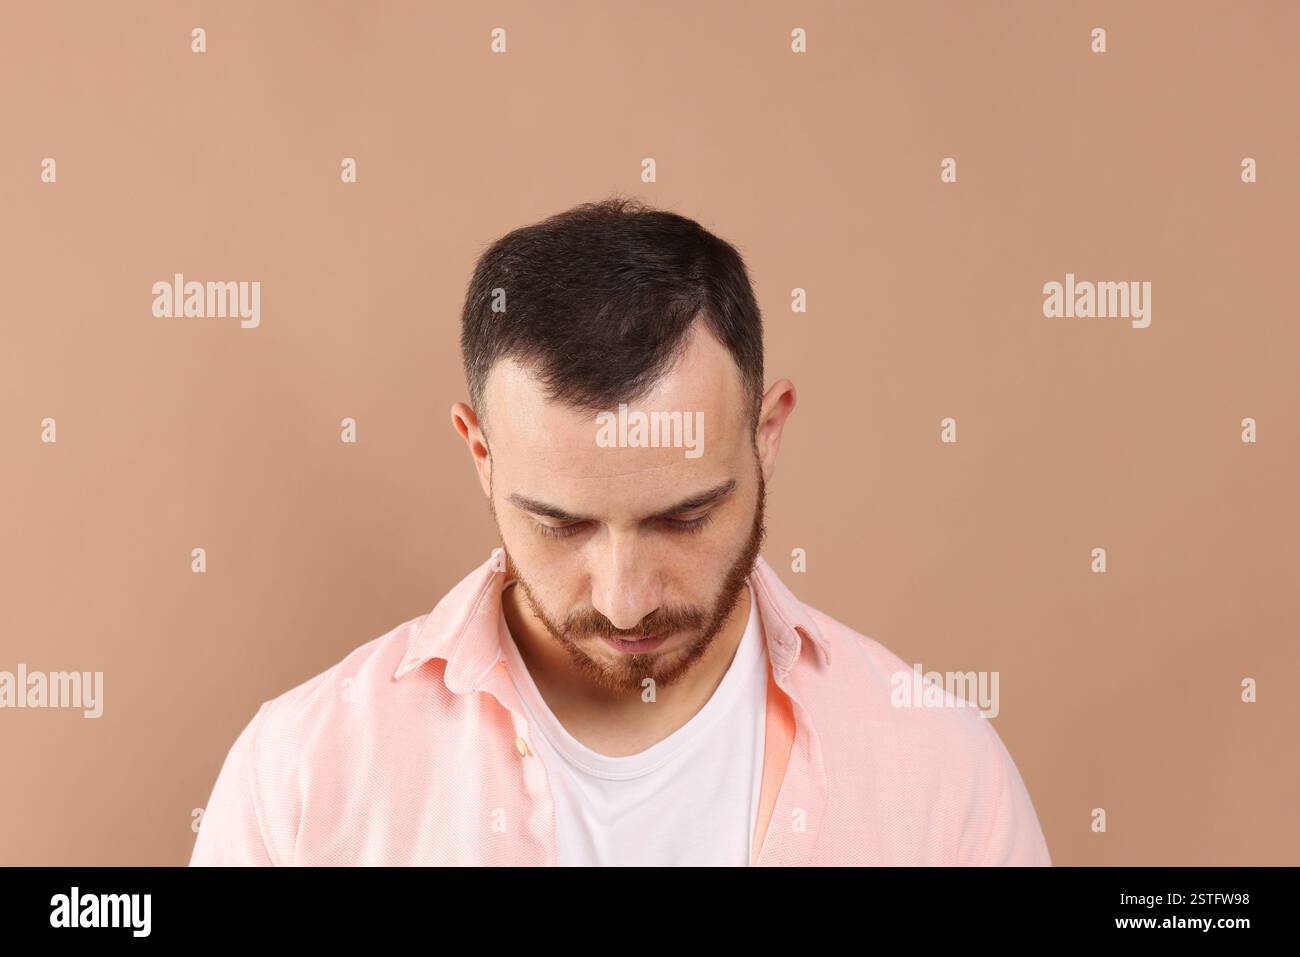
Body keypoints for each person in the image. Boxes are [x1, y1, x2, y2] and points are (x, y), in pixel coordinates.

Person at [190, 197, 1051, 866]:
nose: (625, 598)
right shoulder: (305, 769)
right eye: (560, 525)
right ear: (481, 454)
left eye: (684, 516)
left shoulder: (937, 767)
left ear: (767, 435)